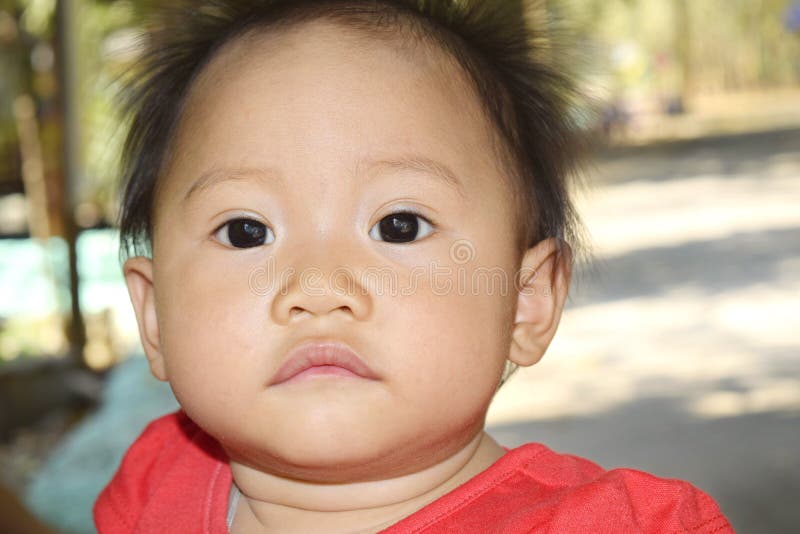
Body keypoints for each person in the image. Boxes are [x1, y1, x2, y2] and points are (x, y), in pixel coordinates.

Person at [94, 0, 734, 532]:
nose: (319, 287)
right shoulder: (153, 485)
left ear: (525, 300)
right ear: (154, 316)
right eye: (246, 232)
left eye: (399, 226)